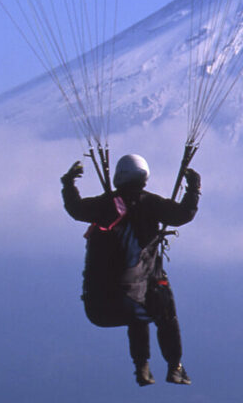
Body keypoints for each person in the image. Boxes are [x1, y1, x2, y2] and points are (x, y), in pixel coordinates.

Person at [62, 152, 201, 386]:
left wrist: (68, 184)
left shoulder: (104, 205)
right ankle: (175, 367)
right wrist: (193, 188)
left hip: (100, 305)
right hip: (138, 298)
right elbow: (183, 214)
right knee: (160, 305)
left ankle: (142, 367)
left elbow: (75, 209)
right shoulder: (152, 204)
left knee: (138, 309)